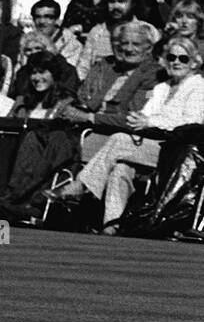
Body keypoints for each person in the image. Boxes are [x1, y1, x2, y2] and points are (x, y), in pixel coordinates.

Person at [48, 36, 204, 232]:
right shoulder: (161, 88)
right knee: (121, 168)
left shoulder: (198, 87)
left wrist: (149, 122)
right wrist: (140, 121)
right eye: (172, 57)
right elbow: (144, 116)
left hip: (176, 152)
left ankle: (81, 185)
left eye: (183, 59)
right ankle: (111, 225)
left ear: (194, 63)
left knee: (119, 139)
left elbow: (191, 123)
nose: (176, 62)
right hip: (152, 142)